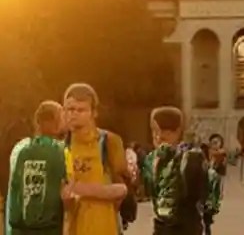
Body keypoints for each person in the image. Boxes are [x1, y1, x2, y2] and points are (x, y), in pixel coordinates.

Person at [61, 84, 130, 235]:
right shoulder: (61, 146)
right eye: (70, 109)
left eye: (81, 110)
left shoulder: (108, 141)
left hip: (105, 228)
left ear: (94, 113)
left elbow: (123, 189)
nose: (74, 114)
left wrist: (83, 189)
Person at [6, 102, 70, 235]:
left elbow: (14, 191)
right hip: (49, 229)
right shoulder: (62, 152)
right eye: (63, 117)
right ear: (54, 122)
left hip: (19, 228)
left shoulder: (22, 151)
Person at [141, 107, 208, 235]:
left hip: (186, 228)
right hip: (161, 227)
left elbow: (200, 193)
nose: (158, 136)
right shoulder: (153, 159)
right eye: (154, 131)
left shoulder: (191, 158)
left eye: (164, 131)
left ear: (177, 132)